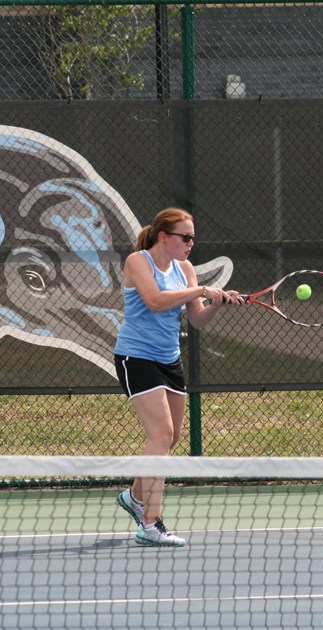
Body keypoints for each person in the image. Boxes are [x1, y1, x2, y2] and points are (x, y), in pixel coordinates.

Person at [114, 207, 243, 546]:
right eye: (185, 238)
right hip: (136, 357)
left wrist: (216, 302)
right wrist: (201, 290)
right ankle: (150, 523)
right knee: (161, 434)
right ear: (163, 237)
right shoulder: (138, 262)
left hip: (169, 359)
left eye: (192, 238)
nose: (190, 244)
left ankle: (134, 497)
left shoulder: (185, 269)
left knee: (169, 440)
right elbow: (156, 301)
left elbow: (196, 319)